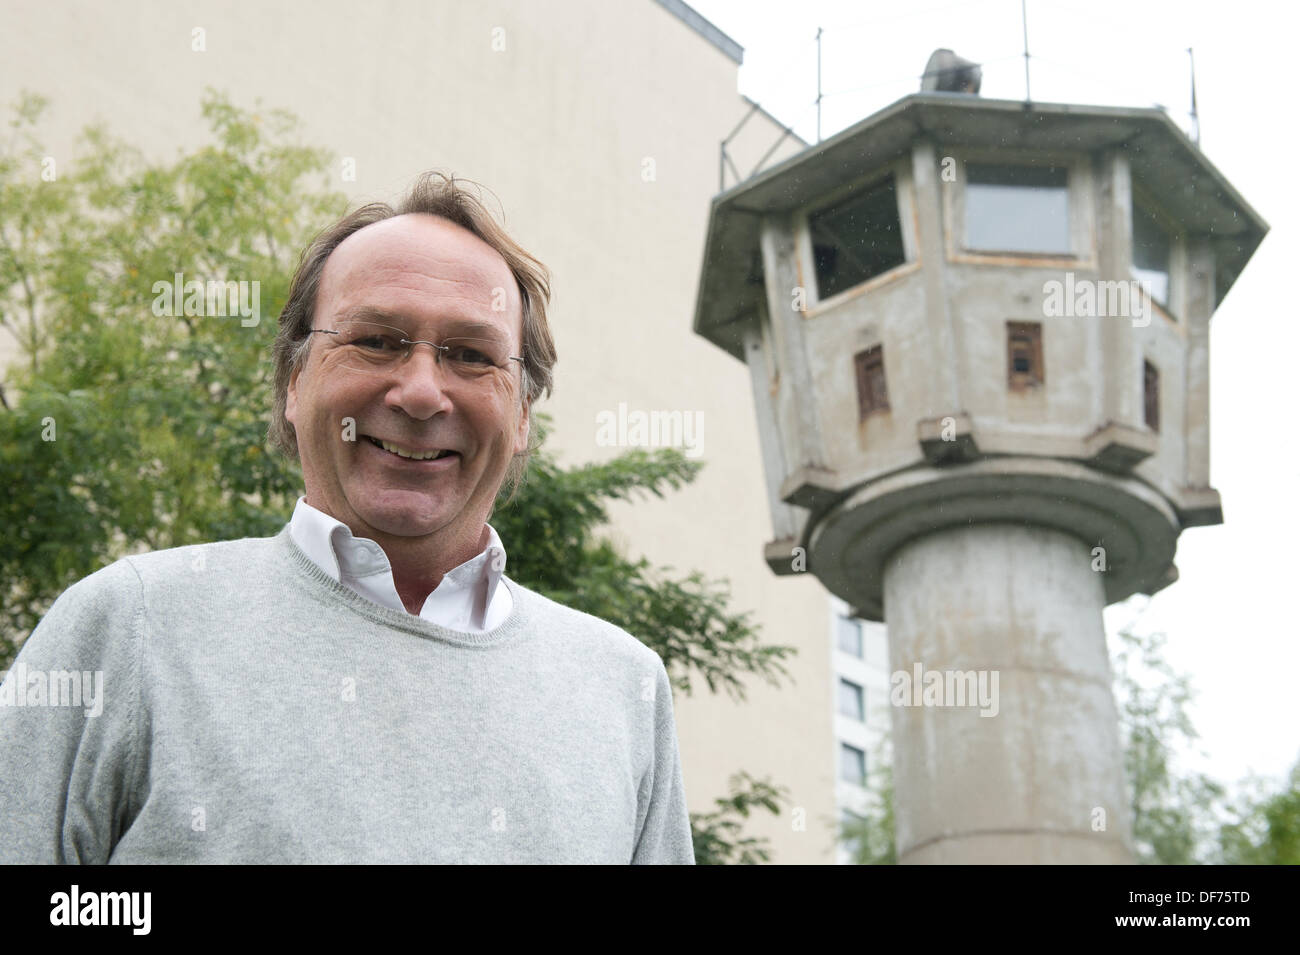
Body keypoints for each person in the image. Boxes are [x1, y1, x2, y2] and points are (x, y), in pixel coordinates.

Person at [0, 172, 695, 864]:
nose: (422, 391)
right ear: (294, 383)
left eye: (471, 355)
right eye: (378, 340)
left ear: (520, 415)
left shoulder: (623, 691)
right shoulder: (127, 629)